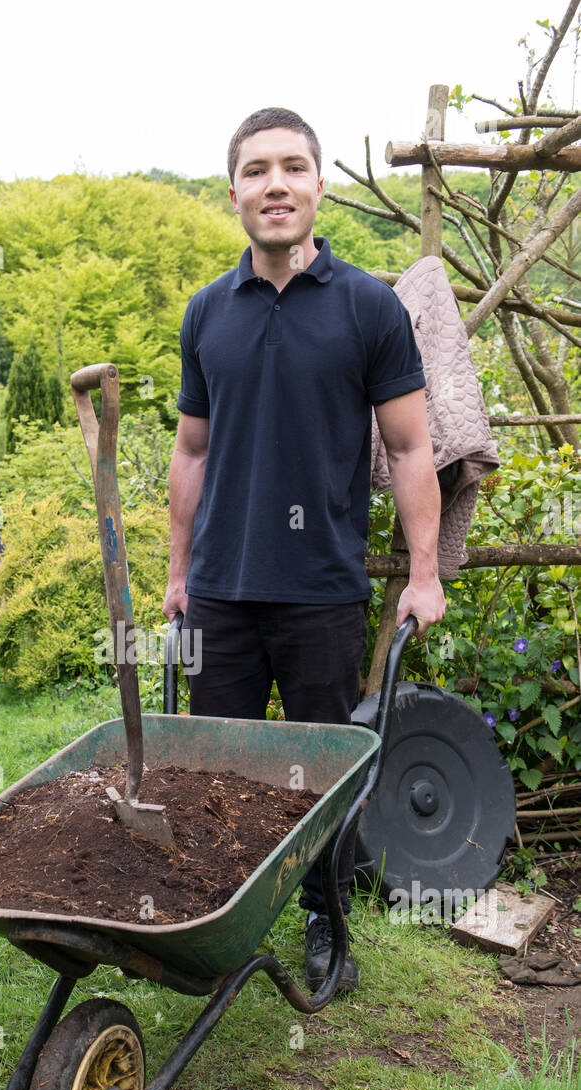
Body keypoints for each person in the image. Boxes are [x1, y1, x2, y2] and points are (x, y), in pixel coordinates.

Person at [162, 107, 446, 992]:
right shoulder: (208, 313)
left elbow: (409, 450)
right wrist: (176, 573)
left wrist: (425, 574)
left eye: (292, 168)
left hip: (322, 590)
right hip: (220, 590)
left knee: (320, 774)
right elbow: (191, 452)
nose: (274, 185)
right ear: (235, 191)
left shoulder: (368, 307)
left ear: (319, 186)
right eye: (255, 170)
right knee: (216, 772)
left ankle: (325, 924)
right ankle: (221, 929)